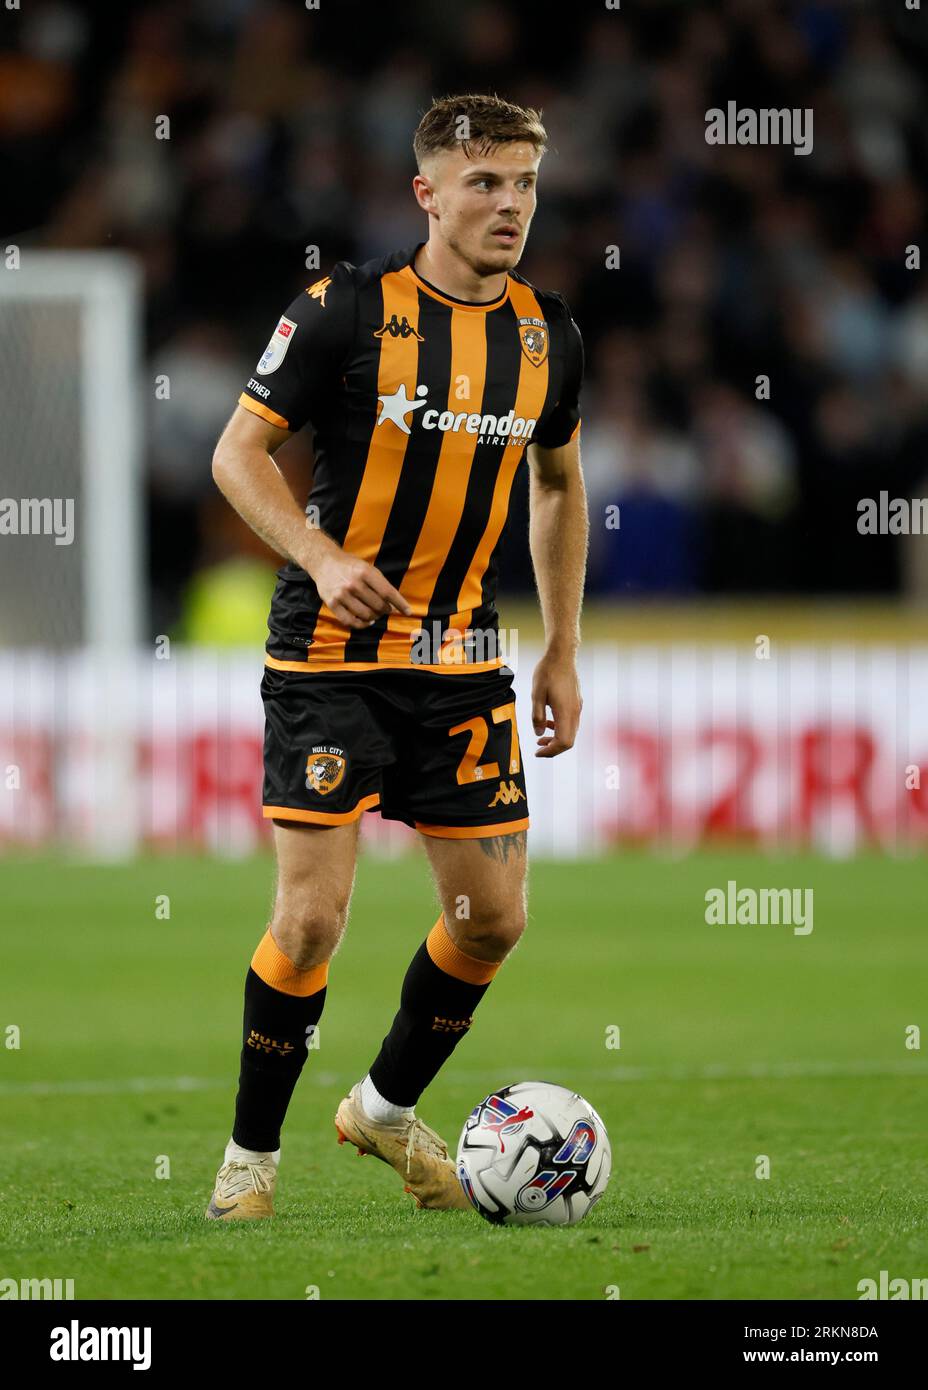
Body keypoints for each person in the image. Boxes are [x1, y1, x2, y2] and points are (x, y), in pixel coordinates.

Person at [207, 92, 587, 1218]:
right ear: (427, 193)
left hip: (466, 661)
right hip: (331, 651)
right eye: (484, 183)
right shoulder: (344, 308)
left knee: (494, 921)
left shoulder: (547, 333)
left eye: (523, 183)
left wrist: (562, 647)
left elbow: (559, 485)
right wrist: (322, 559)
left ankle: (378, 1109)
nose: (508, 204)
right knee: (312, 918)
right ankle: (249, 1161)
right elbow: (238, 455)